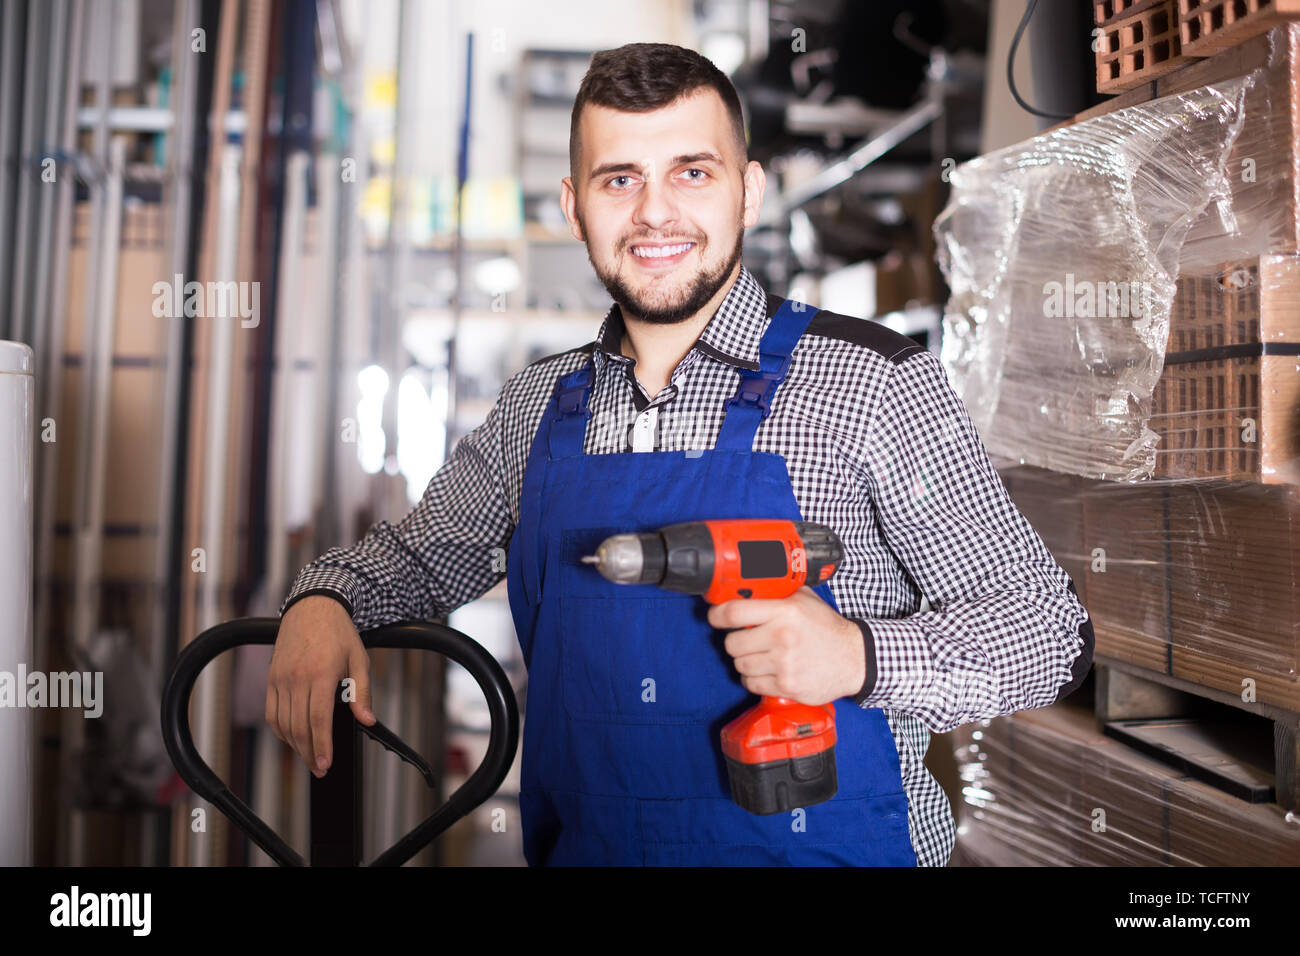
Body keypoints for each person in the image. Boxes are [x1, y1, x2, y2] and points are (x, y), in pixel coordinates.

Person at [265, 41, 1093, 866]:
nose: (655, 213)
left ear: (749, 191)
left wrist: (860, 656)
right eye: (619, 179)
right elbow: (419, 558)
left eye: (692, 172)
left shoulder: (871, 385)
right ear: (574, 205)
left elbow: (1049, 633)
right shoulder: (537, 407)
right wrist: (324, 601)